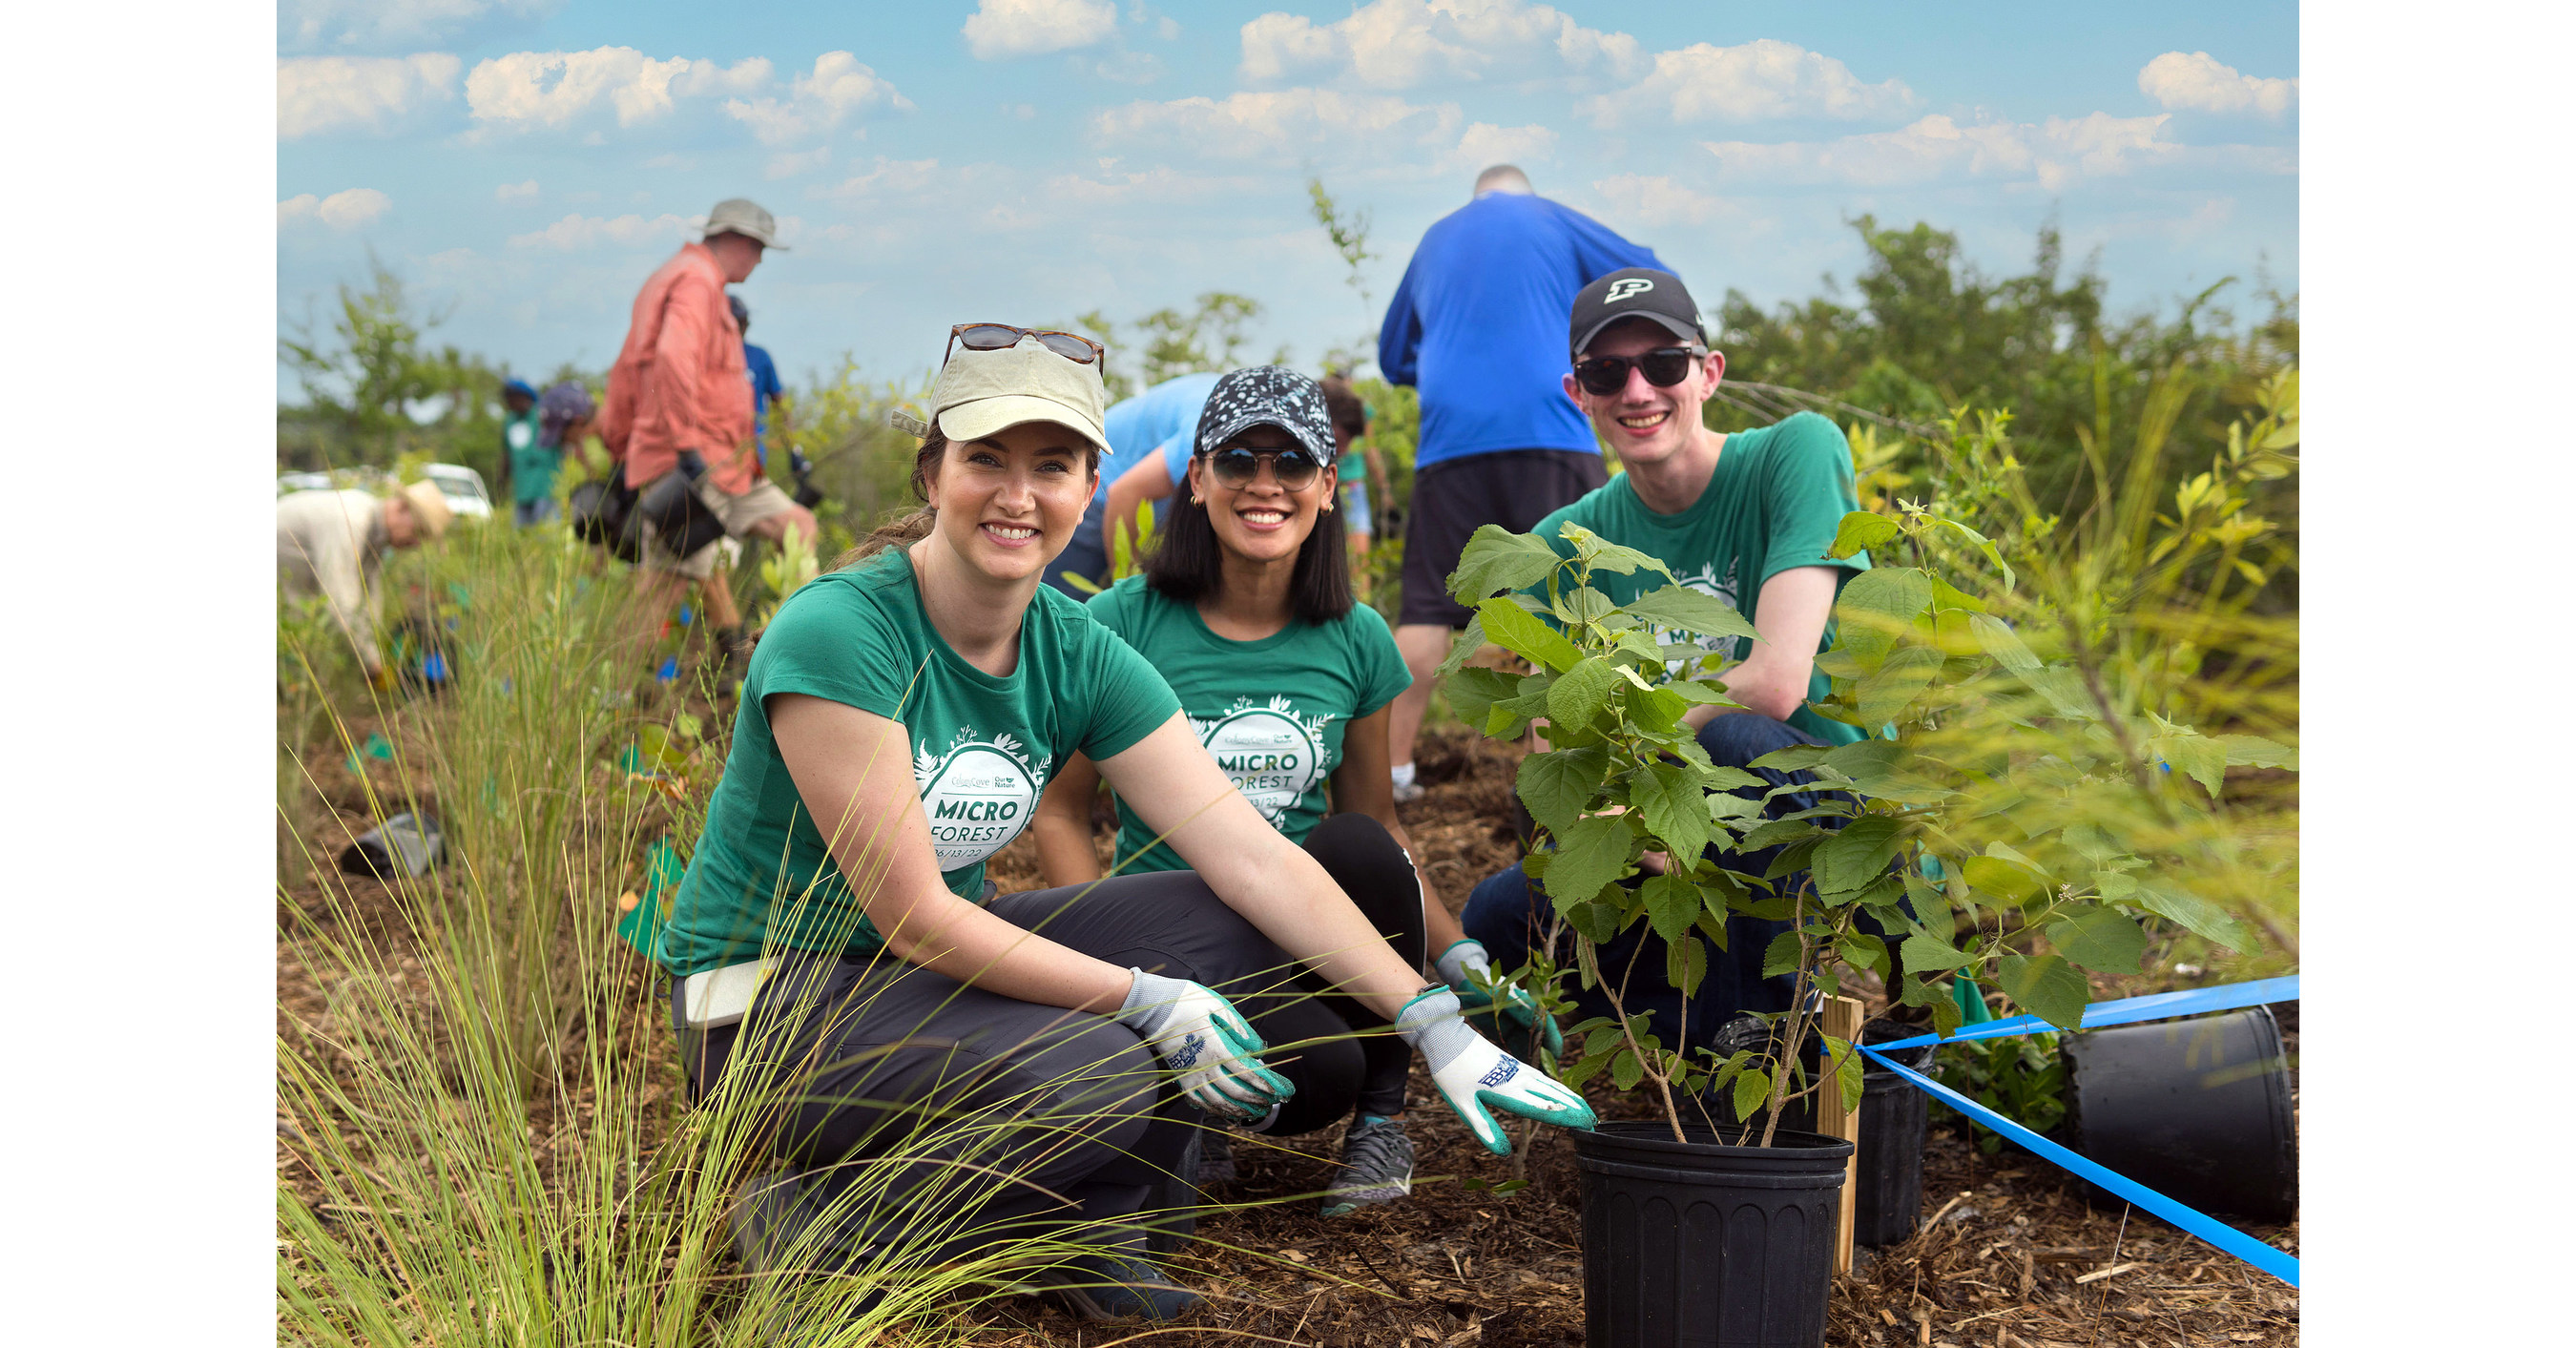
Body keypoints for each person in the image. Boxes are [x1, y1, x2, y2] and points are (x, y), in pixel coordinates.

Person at [654, 326, 1593, 1321]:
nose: (1019, 497)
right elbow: (917, 920)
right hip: (769, 1011)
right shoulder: (843, 631)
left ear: (1091, 484)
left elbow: (1252, 858)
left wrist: (1429, 1017)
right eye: (986, 461)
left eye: (1052, 467)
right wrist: (1146, 999)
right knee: (1108, 1062)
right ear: (933, 473)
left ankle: (1088, 1223)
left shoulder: (1073, 647)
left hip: (916, 991)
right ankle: (834, 1217)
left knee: (1238, 925)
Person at [1028, 366, 1563, 1220]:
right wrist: (1104, 959)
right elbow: (1061, 808)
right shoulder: (1121, 621)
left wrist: (1462, 962)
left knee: (1349, 887)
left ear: (1326, 484)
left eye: (1291, 461)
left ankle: (1381, 1122)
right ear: (1197, 480)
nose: (1264, 483)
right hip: (1169, 939)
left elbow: (1378, 832)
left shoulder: (1357, 640)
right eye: (1239, 459)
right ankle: (1179, 1103)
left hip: (1295, 938)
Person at [1458, 266, 1878, 1063]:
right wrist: (1601, 819)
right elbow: (1558, 750)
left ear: (1708, 372)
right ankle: (1683, 1033)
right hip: (1659, 815)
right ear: (1577, 392)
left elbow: (1778, 681)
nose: (1638, 389)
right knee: (1497, 919)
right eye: (1607, 372)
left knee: (1739, 743)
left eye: (1664, 362)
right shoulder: (1567, 542)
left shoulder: (1794, 453)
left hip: (1816, 811)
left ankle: (1746, 1047)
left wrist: (1635, 764)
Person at [1377, 164, 1667, 801]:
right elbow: (1649, 274)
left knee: (1426, 606)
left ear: (1475, 193)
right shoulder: (1553, 219)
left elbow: (1392, 353)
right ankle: (1556, 775)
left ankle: (1391, 773)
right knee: (1568, 599)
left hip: (1450, 440)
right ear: (1524, 190)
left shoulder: (1434, 238)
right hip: (1551, 430)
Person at [600, 197, 818, 666]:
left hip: (728, 463)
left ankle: (793, 662)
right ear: (737, 240)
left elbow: (625, 371)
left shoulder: (694, 280)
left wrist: (619, 442)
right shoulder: (696, 281)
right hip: (694, 464)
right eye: (758, 249)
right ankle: (611, 699)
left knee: (797, 526)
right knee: (664, 584)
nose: (759, 261)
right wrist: (682, 448)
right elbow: (671, 360)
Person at [1048, 369, 1220, 596]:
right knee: (1060, 610)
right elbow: (1125, 493)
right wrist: (1129, 597)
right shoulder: (1206, 434)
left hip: (1146, 509)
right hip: (1098, 495)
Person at [277, 480, 454, 688]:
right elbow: (341, 602)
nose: (416, 543)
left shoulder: (374, 530)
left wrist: (376, 649)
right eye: (419, 532)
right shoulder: (350, 520)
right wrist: (372, 662)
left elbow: (369, 595)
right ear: (401, 509)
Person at [732, 294, 822, 508]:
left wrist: (794, 450)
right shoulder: (709, 358)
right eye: (738, 321)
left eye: (745, 321)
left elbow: (781, 407)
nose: (743, 326)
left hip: (753, 463)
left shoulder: (759, 357)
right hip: (718, 462)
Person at [491, 378, 558, 527]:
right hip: (521, 489)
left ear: (526, 397)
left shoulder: (542, 417)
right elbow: (507, 454)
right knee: (521, 534)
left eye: (514, 398)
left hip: (545, 487)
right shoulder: (509, 422)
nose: (511, 402)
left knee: (544, 533)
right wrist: (501, 482)